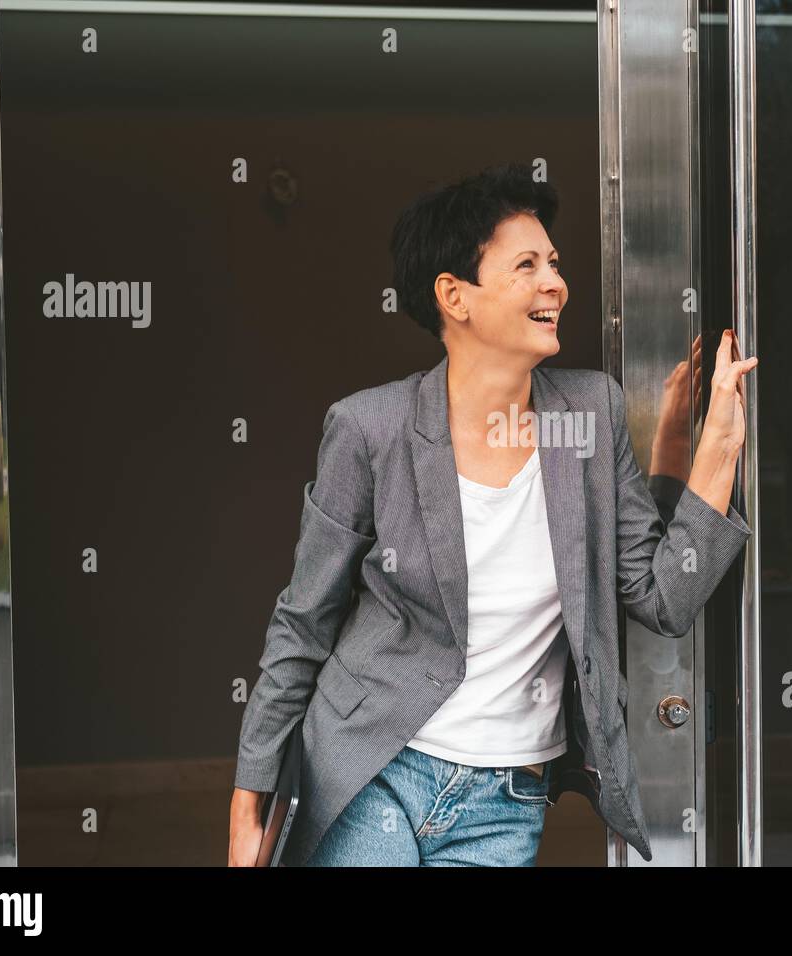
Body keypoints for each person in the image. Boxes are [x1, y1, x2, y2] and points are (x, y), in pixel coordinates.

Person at [228, 162, 756, 866]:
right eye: (527, 265)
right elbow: (304, 620)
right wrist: (250, 796)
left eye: (555, 264)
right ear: (455, 296)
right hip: (372, 769)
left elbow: (662, 597)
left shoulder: (589, 413)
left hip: (505, 801)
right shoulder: (370, 428)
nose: (555, 283)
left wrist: (717, 445)